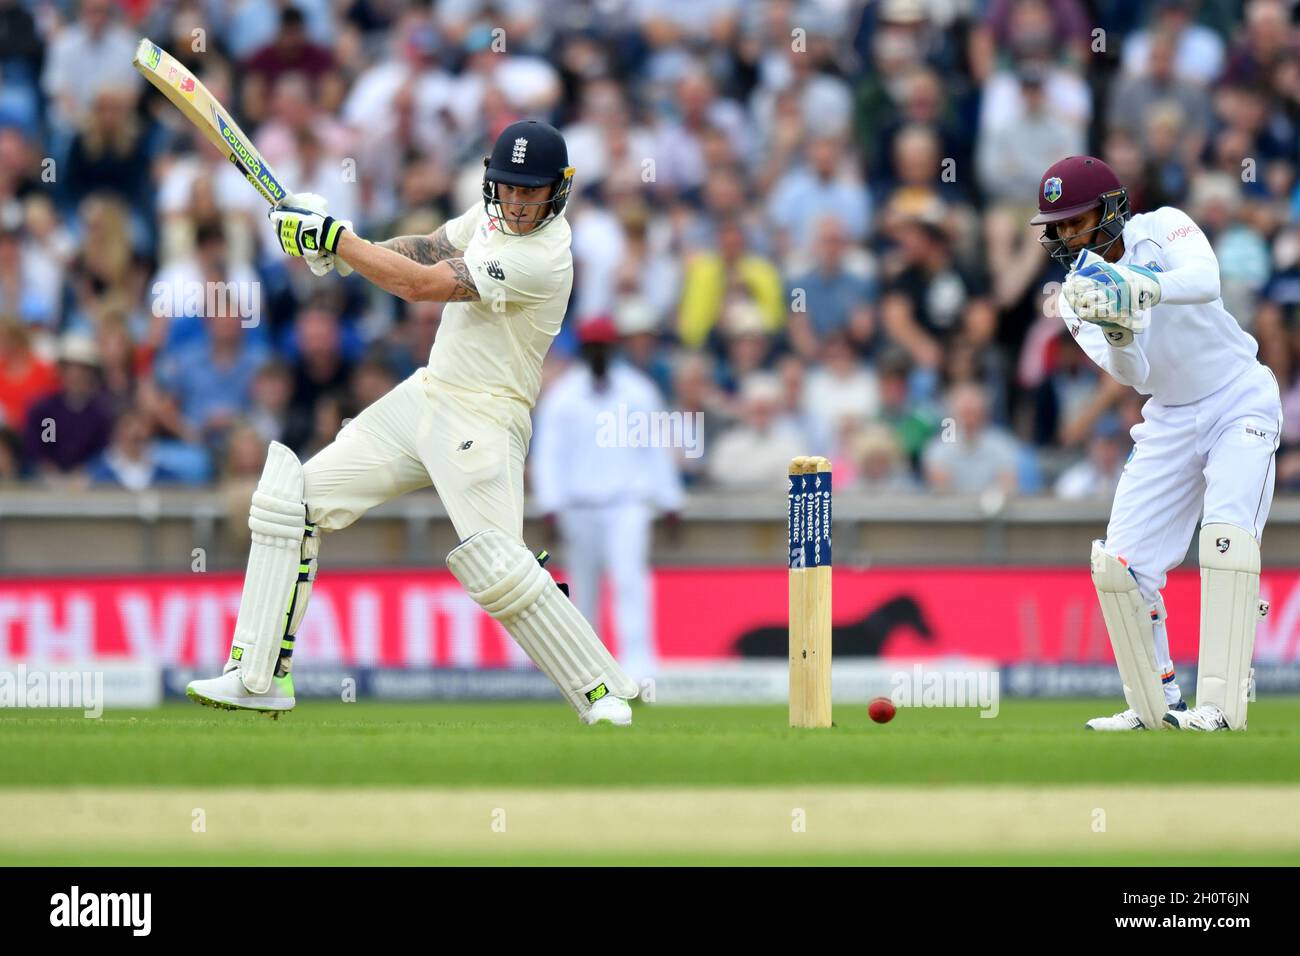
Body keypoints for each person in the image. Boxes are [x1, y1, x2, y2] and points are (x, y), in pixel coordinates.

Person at [186, 121, 641, 726]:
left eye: (530, 192)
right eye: (506, 187)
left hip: (486, 413)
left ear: (558, 191)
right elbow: (426, 249)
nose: (516, 202)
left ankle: (602, 690)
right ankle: (258, 676)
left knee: (498, 569)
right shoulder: (490, 218)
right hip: (426, 394)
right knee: (290, 502)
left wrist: (340, 241)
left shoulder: (545, 257)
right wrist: (340, 253)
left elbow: (423, 286)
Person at [1031, 155, 1281, 732]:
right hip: (1168, 415)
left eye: (1077, 220)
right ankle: (1154, 704)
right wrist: (1119, 329)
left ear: (1112, 209)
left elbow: (1204, 282)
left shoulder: (1164, 227)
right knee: (1122, 565)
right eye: (1060, 226)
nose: (1068, 235)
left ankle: (1221, 706)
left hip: (1238, 394)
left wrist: (1134, 288)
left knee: (1225, 539)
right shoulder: (1075, 294)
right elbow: (1133, 373)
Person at [532, 318, 685, 687]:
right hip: (579, 505)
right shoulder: (564, 396)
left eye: (604, 346)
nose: (598, 354)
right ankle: (588, 672)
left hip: (626, 504)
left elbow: (656, 448)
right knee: (584, 589)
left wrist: (670, 500)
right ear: (583, 350)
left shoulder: (637, 391)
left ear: (613, 348)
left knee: (630, 581)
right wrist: (550, 504)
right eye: (592, 347)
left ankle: (640, 666)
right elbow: (549, 454)